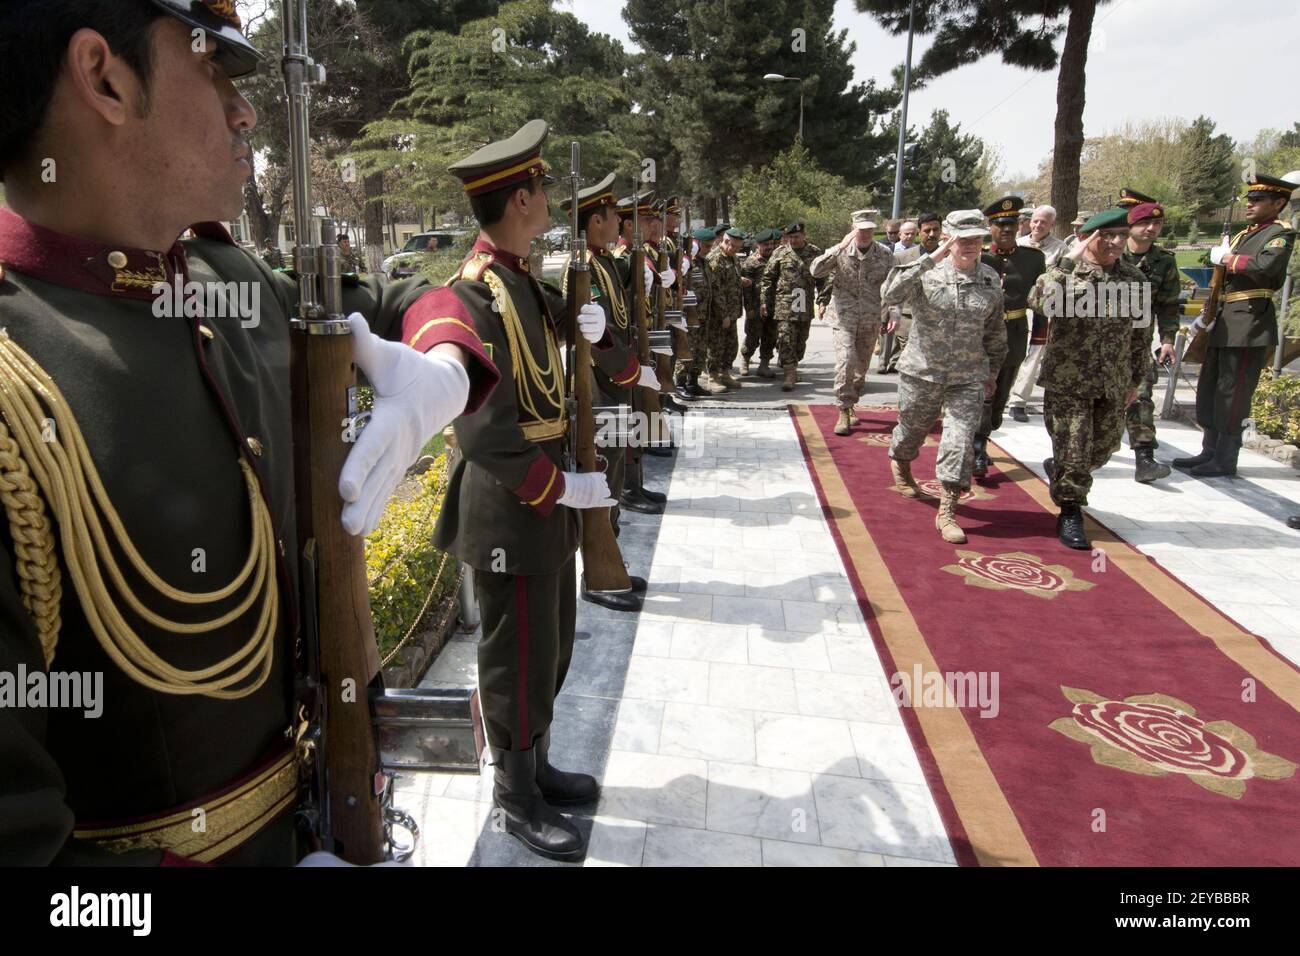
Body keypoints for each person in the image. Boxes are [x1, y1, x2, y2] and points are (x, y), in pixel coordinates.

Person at [0, 0, 491, 865]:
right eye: (214, 68)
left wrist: (439, 369)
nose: (245, 109)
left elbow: (417, 298)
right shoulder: (15, 385)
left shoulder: (229, 281)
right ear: (103, 77)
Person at [431, 120, 627, 862]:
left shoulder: (526, 285)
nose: (551, 199)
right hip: (513, 509)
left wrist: (598, 328)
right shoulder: (475, 297)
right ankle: (514, 796)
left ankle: (537, 766)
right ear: (520, 199)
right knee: (514, 660)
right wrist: (561, 491)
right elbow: (483, 432)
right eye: (543, 188)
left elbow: (592, 363)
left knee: (549, 647)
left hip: (546, 506)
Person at [559, 172, 660, 605]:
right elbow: (597, 341)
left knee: (614, 472)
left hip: (614, 384)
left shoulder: (601, 261)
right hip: (601, 387)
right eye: (614, 214)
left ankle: (609, 562)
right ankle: (598, 574)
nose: (620, 221)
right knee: (604, 473)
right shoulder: (583, 268)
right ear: (596, 221)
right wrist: (630, 373)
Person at [1028, 208, 1151, 550]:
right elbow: (1039, 301)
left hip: (1113, 380)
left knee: (1104, 447)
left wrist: (1135, 380)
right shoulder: (1067, 273)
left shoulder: (1133, 280)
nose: (1115, 243)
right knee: (1076, 451)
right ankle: (1070, 511)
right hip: (1069, 381)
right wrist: (1068, 262)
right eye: (1106, 236)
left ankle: (1061, 468)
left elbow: (1141, 333)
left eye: (1121, 236)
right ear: (1089, 237)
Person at [882, 210, 1006, 544]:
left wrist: (992, 372)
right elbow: (890, 294)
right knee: (911, 432)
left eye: (977, 239)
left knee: (959, 440)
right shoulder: (926, 272)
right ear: (948, 239)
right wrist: (930, 259)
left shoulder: (990, 279)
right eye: (962, 239)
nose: (970, 246)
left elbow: (995, 332)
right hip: (922, 371)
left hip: (967, 376)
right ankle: (902, 461)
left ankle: (947, 508)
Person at [1174, 174, 1297, 478]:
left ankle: (1225, 459)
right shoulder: (1245, 235)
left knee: (1234, 392)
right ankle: (1209, 450)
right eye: (1249, 200)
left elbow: (1267, 268)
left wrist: (1231, 259)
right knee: (1211, 387)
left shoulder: (1280, 234)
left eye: (1258, 200)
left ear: (1278, 203)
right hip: (1225, 320)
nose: (1250, 205)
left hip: (1249, 323)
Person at [972, 197, 1046, 478]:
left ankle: (985, 434)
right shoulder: (978, 257)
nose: (1006, 229)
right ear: (989, 227)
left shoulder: (1032, 259)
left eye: (1012, 224)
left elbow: (1040, 302)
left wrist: (1040, 336)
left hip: (1014, 333)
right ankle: (977, 447)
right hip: (981, 335)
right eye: (1000, 224)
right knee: (983, 392)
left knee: (1001, 394)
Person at [811, 209, 894, 435]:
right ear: (852, 228)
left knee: (861, 367)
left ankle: (852, 398)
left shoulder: (884, 254)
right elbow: (816, 270)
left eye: (869, 229)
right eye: (861, 229)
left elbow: (894, 286)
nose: (865, 234)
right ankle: (844, 409)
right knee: (846, 360)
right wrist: (839, 246)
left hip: (870, 317)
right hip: (844, 317)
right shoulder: (839, 251)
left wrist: (893, 312)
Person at [1116, 194, 1181, 483]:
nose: (1151, 229)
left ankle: (1145, 458)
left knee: (1141, 396)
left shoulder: (1164, 262)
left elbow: (1168, 304)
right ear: (1131, 225)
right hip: (1100, 341)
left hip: (1139, 342)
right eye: (1144, 223)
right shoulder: (1112, 253)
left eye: (1157, 223)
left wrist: (1167, 339)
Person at [1008, 204, 1068, 421]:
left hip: (1043, 310)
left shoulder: (1060, 249)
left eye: (1044, 222)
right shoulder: (1018, 244)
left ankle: (1018, 400)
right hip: (1016, 306)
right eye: (1035, 221)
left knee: (1034, 354)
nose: (1038, 225)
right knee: (1011, 352)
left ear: (1052, 224)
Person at [879, 212, 941, 374]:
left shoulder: (949, 256)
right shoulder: (902, 258)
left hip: (940, 325)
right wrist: (883, 320)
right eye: (927, 230)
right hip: (908, 322)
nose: (932, 234)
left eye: (936, 230)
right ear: (919, 232)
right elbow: (890, 290)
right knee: (912, 367)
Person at [763, 221, 819, 391]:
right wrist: (764, 301)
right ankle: (789, 373)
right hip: (784, 304)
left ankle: (793, 365)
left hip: (804, 304)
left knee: (800, 341)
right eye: (790, 237)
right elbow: (767, 278)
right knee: (785, 339)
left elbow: (824, 277)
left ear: (804, 235)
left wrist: (823, 300)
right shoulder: (780, 252)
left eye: (796, 237)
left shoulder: (814, 252)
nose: (793, 240)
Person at [675, 227, 717, 399]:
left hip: (703, 315)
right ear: (696, 244)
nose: (709, 250)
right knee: (687, 348)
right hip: (689, 314)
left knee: (700, 350)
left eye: (710, 246)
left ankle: (693, 381)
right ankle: (680, 382)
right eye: (706, 246)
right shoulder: (686, 263)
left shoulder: (704, 263)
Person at [705, 227, 745, 392]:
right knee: (716, 345)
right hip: (719, 314)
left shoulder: (732, 258)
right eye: (734, 246)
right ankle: (713, 377)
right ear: (726, 242)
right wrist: (724, 315)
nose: (736, 250)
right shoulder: (715, 259)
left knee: (730, 345)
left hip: (732, 311)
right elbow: (716, 290)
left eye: (738, 247)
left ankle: (725, 373)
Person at [739, 228, 778, 377]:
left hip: (773, 306)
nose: (769, 247)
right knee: (753, 336)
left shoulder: (776, 259)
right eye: (766, 244)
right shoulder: (751, 262)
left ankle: (764, 365)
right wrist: (748, 308)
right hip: (755, 306)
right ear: (758, 245)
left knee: (770, 336)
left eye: (771, 244)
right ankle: (745, 360)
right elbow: (746, 288)